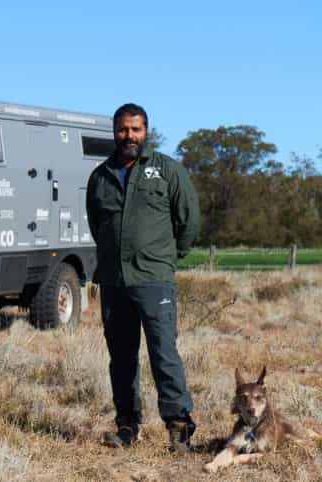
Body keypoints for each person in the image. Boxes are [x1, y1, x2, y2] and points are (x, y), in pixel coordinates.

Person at [85, 103, 200, 451]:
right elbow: (97, 224)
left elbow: (189, 220)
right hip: (114, 282)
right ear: (114, 131)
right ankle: (127, 426)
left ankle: (178, 426)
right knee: (121, 356)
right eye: (122, 129)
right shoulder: (101, 176)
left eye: (135, 129)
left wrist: (166, 259)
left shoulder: (166, 171)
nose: (129, 136)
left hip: (154, 279)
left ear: (146, 131)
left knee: (163, 353)